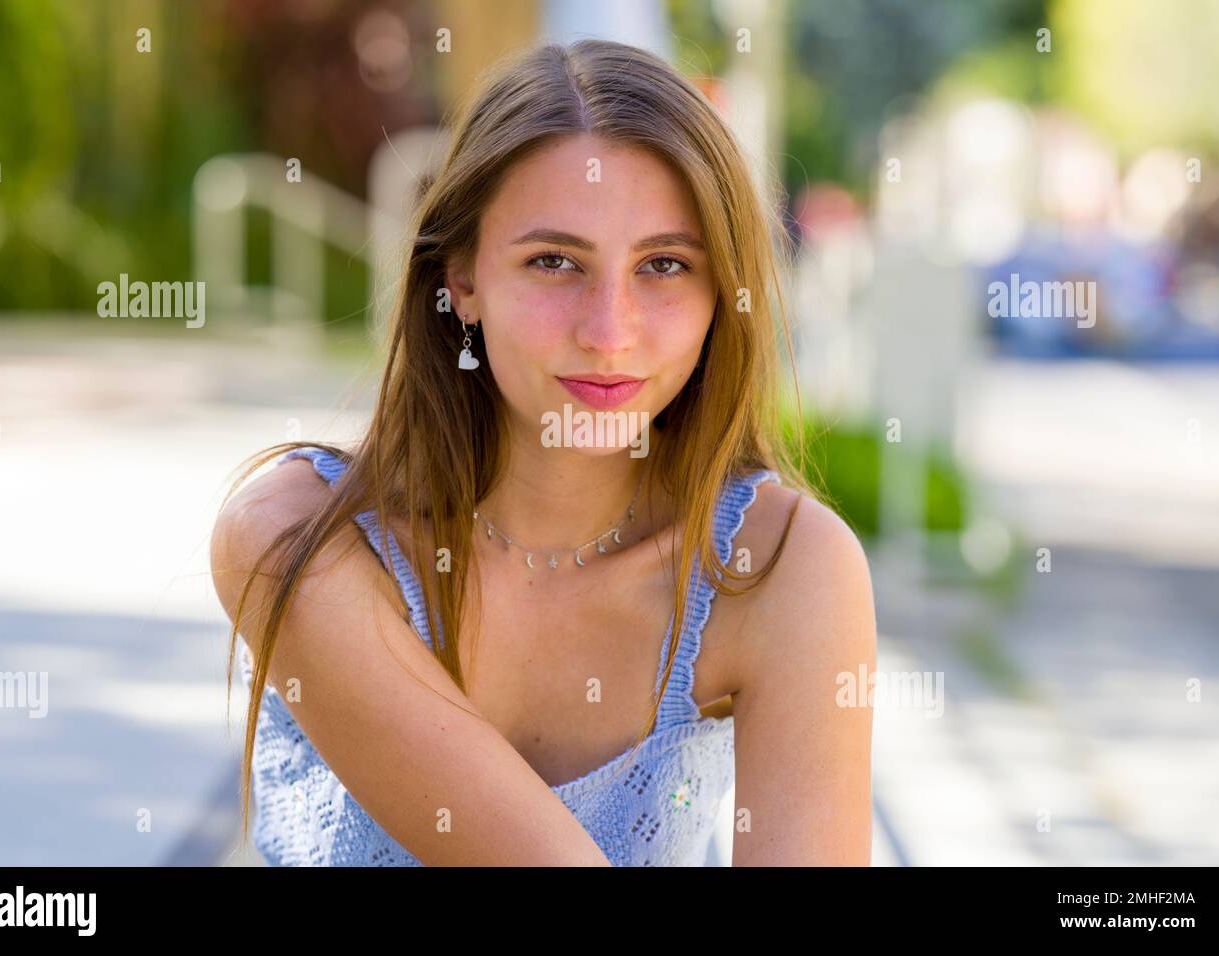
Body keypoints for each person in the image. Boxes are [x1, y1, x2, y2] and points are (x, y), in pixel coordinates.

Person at [210, 38, 876, 866]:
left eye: (664, 265)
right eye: (554, 261)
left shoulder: (778, 565)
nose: (608, 332)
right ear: (461, 278)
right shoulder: (296, 537)